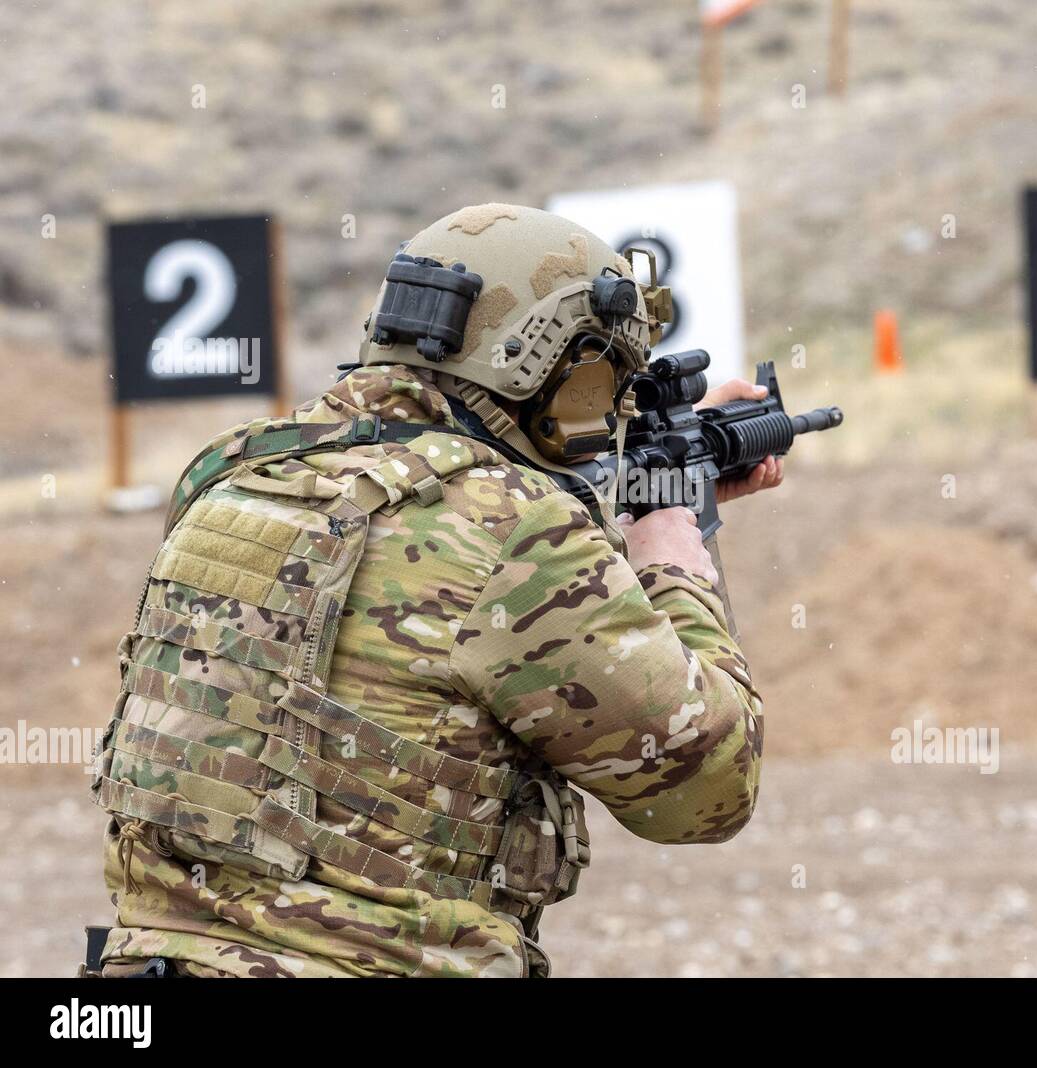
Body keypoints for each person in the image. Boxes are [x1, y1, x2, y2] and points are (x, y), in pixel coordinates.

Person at [87, 204, 781, 977]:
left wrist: (641, 469)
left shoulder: (234, 472)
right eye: (600, 388)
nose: (603, 416)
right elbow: (706, 788)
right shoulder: (519, 532)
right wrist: (672, 548)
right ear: (553, 367)